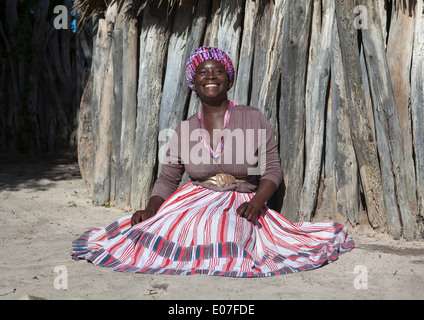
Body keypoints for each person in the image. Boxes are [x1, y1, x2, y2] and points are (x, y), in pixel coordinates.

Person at [72, 46, 354, 277]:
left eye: (218, 71)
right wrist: (150, 209)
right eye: (202, 73)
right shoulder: (184, 129)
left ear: (229, 80)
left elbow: (272, 170)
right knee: (168, 228)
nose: (210, 77)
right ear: (193, 84)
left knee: (231, 231)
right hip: (192, 199)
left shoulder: (252, 118)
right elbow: (168, 178)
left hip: (241, 201)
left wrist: (256, 203)